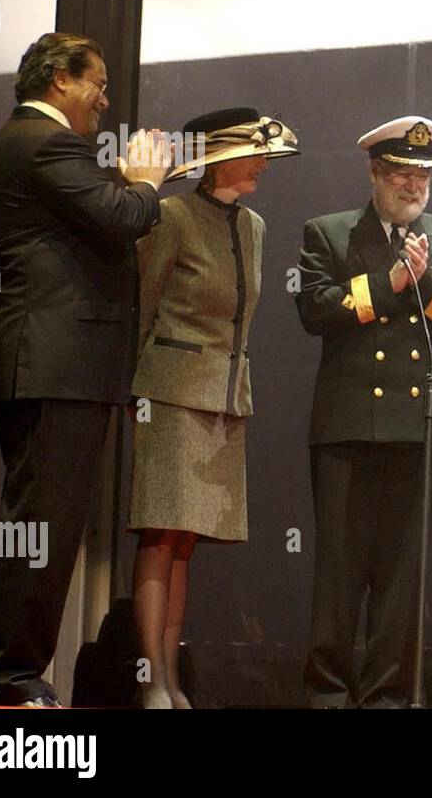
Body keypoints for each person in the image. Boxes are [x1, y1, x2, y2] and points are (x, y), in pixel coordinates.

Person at [0, 32, 170, 706]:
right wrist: (145, 181)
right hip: (53, 365)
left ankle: (13, 674)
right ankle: (8, 679)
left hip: (53, 365)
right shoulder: (43, 141)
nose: (106, 99)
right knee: (42, 523)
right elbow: (120, 215)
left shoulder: (32, 144)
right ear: (60, 79)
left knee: (44, 523)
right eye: (99, 82)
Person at [296, 115, 432, 708]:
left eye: (423, 177)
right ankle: (328, 696)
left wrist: (427, 278)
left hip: (419, 430)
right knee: (339, 575)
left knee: (404, 581)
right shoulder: (329, 233)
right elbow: (316, 311)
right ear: (376, 174)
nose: (413, 187)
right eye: (402, 174)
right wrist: (389, 281)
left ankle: (386, 699)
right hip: (348, 429)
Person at [128, 107, 300, 708]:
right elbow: (143, 305)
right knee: (160, 536)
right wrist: (137, 393)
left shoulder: (253, 226)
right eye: (253, 153)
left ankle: (172, 682)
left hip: (225, 401)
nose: (262, 164)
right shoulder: (172, 215)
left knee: (185, 544)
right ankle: (151, 681)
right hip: (172, 393)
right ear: (219, 156)